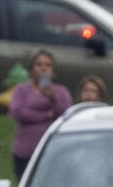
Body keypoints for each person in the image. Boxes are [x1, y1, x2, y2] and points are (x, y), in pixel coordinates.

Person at [9, 50, 71, 178]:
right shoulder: (22, 89)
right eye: (39, 64)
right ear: (32, 69)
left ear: (53, 70)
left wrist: (52, 97)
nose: (43, 68)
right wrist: (46, 116)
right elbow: (18, 111)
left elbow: (65, 112)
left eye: (48, 65)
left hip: (52, 153)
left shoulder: (61, 91)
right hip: (25, 152)